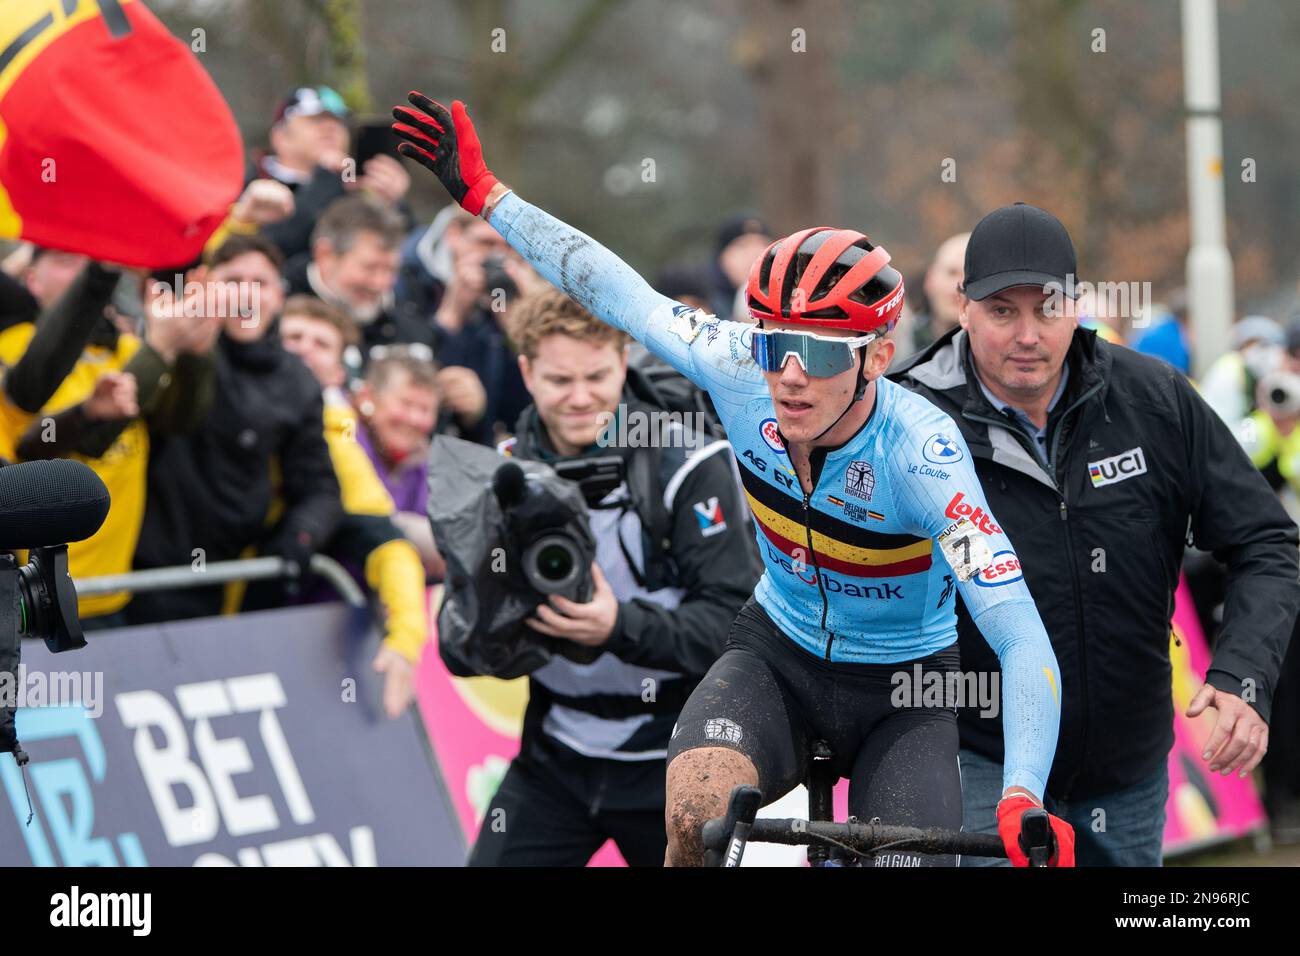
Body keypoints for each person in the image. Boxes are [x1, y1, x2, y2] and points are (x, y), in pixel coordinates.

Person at [392, 93, 1072, 868]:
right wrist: (488, 196)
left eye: (816, 354)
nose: (787, 374)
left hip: (904, 690)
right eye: (774, 341)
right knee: (694, 813)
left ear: (876, 358)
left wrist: (1022, 793)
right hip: (776, 653)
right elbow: (612, 287)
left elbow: (1019, 633)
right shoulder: (736, 364)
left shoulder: (923, 457)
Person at [891, 202, 1299, 865]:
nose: (1028, 334)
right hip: (977, 764)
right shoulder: (905, 419)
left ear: (1076, 306)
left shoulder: (1155, 400)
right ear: (963, 309)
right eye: (1002, 311)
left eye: (1047, 308)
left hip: (1128, 772)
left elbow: (1266, 542)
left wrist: (1242, 676)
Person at [460, 287, 759, 866]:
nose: (579, 399)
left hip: (676, 760)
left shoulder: (689, 465)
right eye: (558, 381)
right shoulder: (501, 471)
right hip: (554, 759)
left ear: (623, 361)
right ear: (525, 372)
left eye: (596, 376)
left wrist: (617, 626)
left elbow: (733, 628)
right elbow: (463, 643)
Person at [127, 236, 342, 624]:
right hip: (131, 570)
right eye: (232, 281)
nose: (246, 294)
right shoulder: (168, 345)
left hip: (225, 579)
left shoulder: (298, 382)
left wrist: (298, 539)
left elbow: (319, 487)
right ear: (205, 286)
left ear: (279, 296)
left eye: (259, 283)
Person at [0, 261, 214, 626]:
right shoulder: (15, 347)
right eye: (68, 259)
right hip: (37, 596)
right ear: (31, 278)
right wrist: (159, 349)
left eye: (90, 261)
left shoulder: (128, 347)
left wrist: (194, 353)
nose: (82, 271)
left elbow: (178, 422)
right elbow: (32, 446)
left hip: (114, 591)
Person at [278, 295, 429, 716]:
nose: (305, 348)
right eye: (293, 336)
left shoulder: (338, 438)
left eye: (321, 343)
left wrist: (404, 637)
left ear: (338, 371)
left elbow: (385, 538)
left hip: (280, 623)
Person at [250, 86, 411, 262]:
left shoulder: (352, 186)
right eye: (315, 120)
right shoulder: (253, 183)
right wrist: (326, 178)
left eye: (339, 121)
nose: (330, 128)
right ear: (281, 138)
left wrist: (394, 204)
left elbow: (403, 261)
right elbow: (272, 247)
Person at [286, 195, 435, 354]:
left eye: (391, 269)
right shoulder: (274, 306)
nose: (380, 283)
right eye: (370, 267)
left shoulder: (411, 335)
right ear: (325, 255)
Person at [353, 350, 445, 576]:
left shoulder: (427, 461)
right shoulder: (346, 441)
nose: (414, 419)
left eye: (425, 409)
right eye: (405, 403)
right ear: (368, 397)